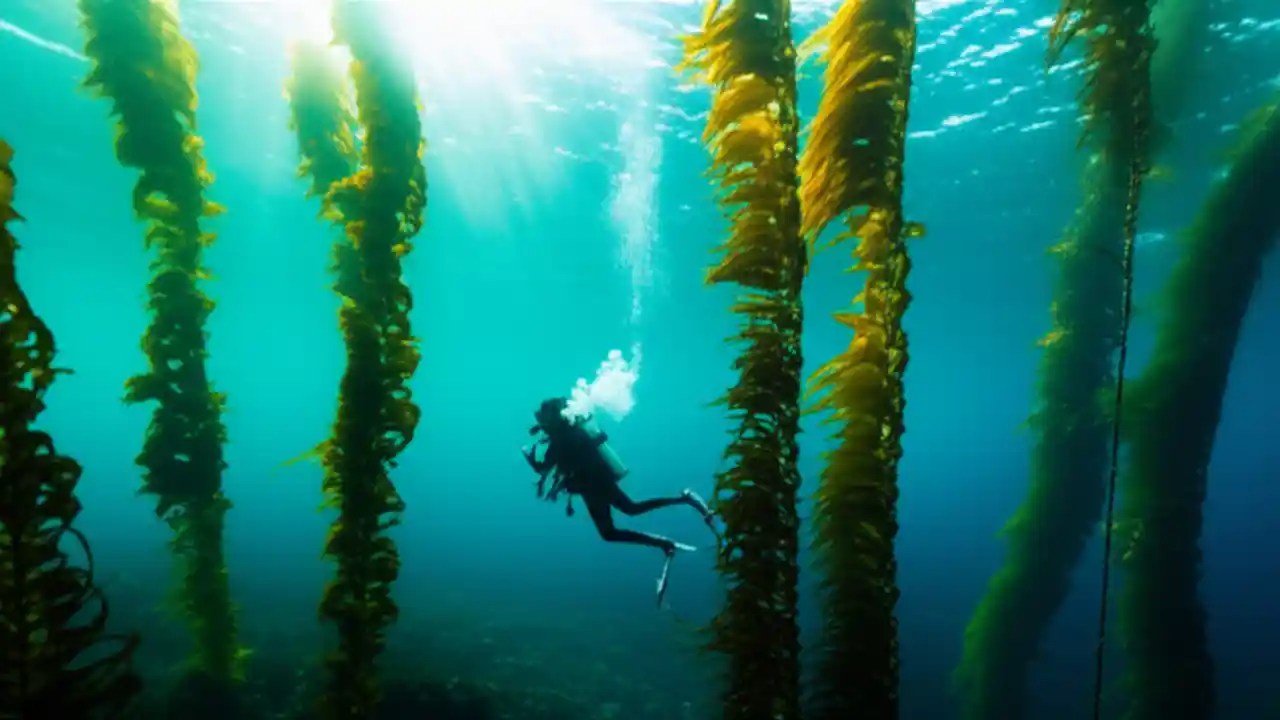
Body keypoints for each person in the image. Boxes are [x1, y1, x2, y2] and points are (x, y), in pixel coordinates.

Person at [522, 397, 717, 602]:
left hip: (594, 485)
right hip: (595, 484)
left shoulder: (562, 439)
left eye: (544, 414)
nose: (540, 418)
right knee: (626, 514)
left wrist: (530, 458)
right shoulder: (570, 434)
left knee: (619, 522)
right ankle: (673, 521)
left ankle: (675, 518)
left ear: (553, 416)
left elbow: (546, 467)